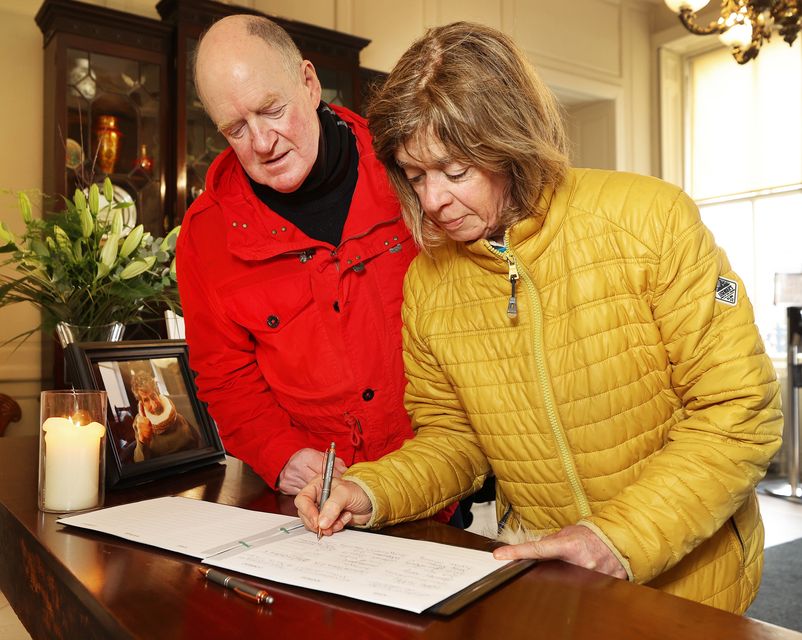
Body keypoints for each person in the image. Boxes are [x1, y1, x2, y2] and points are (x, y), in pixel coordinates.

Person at [295, 22, 784, 613]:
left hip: (694, 589)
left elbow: (738, 414)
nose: (431, 202)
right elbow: (456, 440)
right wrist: (371, 490)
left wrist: (615, 539)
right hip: (551, 582)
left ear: (512, 145)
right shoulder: (427, 283)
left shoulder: (652, 219)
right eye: (416, 175)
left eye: (455, 172)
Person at [177, 14, 457, 520]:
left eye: (271, 110)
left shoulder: (407, 167)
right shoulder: (205, 236)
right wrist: (280, 455)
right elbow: (225, 378)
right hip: (316, 505)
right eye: (237, 129)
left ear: (308, 83)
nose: (262, 142)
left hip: (438, 486)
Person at [130, 371, 200, 462]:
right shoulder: (140, 422)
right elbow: (139, 462)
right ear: (141, 403)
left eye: (153, 396)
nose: (154, 405)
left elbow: (198, 439)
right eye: (146, 400)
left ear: (158, 393)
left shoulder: (176, 407)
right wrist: (143, 441)